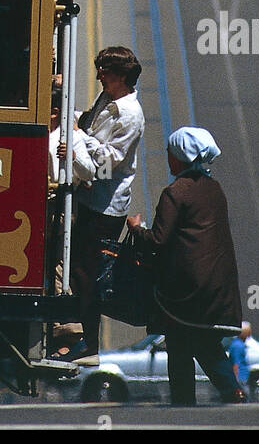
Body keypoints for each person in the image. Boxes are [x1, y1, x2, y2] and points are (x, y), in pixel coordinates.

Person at [128, 127, 245, 405]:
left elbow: (157, 240)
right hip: (216, 283)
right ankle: (213, 394)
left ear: (179, 157)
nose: (168, 158)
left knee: (190, 341)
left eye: (170, 153)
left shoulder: (175, 192)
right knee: (189, 340)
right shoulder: (214, 189)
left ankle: (211, 394)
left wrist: (136, 229)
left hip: (185, 287)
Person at [62, 46, 145, 360]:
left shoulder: (129, 115)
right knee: (78, 270)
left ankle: (89, 343)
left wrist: (77, 138)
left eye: (105, 73)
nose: (99, 77)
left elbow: (108, 161)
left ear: (122, 77)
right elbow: (86, 126)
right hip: (89, 195)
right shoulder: (107, 100)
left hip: (105, 205)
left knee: (89, 274)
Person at [229, 321, 252, 389]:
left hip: (242, 376)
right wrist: (236, 379)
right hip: (240, 378)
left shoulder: (238, 343)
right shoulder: (238, 345)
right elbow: (236, 363)